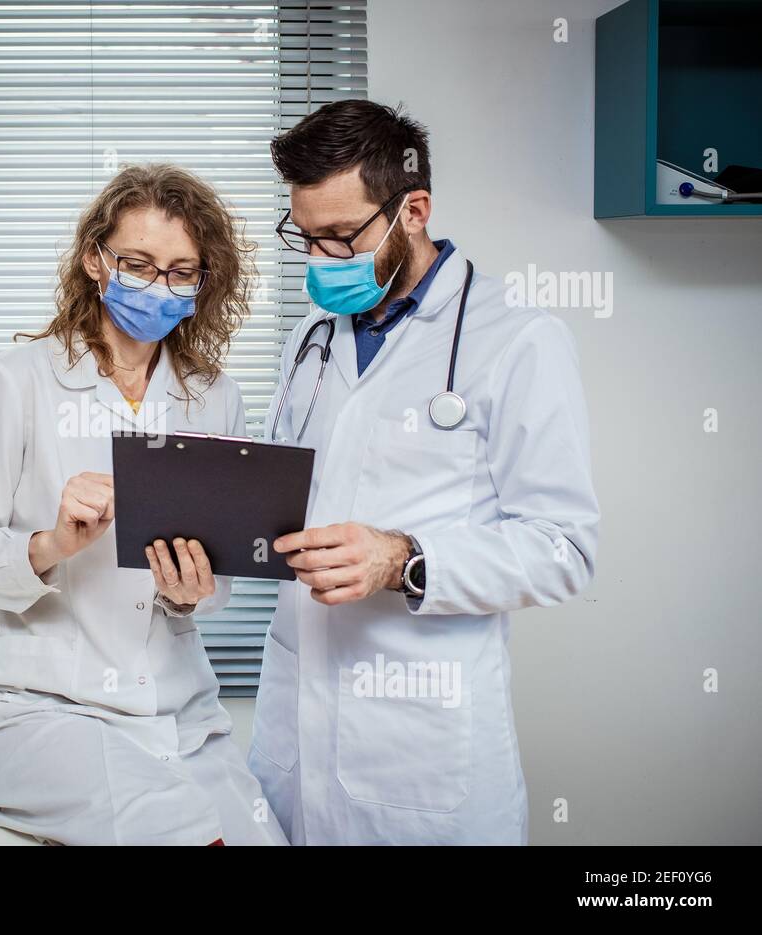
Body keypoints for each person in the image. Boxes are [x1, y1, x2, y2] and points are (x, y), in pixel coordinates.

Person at [249, 101, 601, 844]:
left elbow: (565, 548)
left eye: (342, 237)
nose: (321, 260)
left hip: (420, 746)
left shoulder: (517, 339)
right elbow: (284, 497)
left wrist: (401, 557)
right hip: (294, 726)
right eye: (305, 238)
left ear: (414, 208)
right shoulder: (310, 340)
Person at [0, 164, 287, 845]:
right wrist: (51, 544)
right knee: (182, 834)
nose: (160, 286)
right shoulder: (18, 381)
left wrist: (188, 593)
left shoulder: (214, 397)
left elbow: (218, 580)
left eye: (183, 271)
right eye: (139, 263)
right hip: (39, 707)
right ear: (96, 260)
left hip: (175, 709)